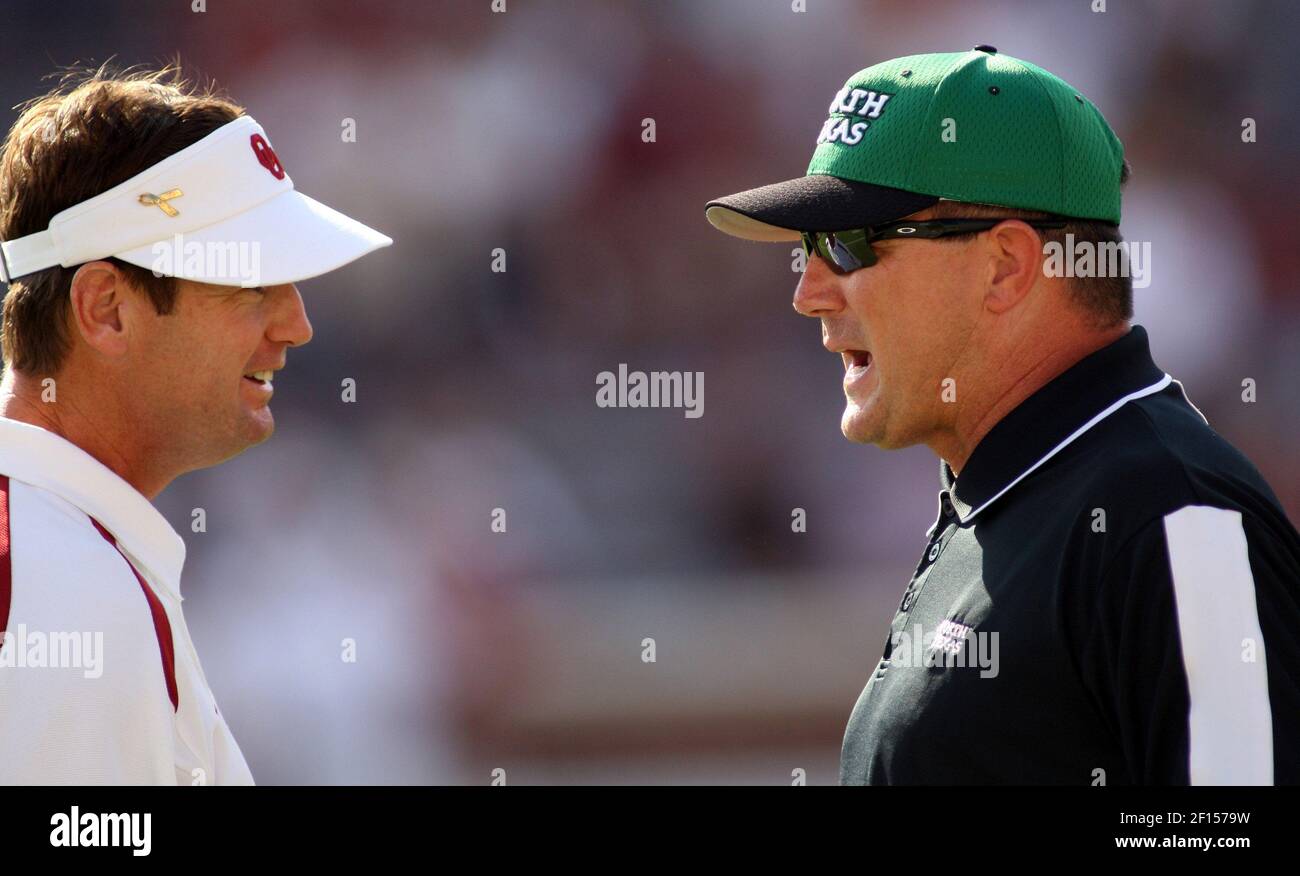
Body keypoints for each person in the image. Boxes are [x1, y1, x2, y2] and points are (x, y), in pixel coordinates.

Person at [705, 47, 1300, 785]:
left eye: (850, 244)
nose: (810, 292)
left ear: (1007, 267)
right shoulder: (1016, 491)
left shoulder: (1171, 509)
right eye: (808, 247)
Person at [0, 65, 391, 784]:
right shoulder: (59, 583)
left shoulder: (55, 555)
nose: (297, 325)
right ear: (106, 309)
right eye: (250, 284)